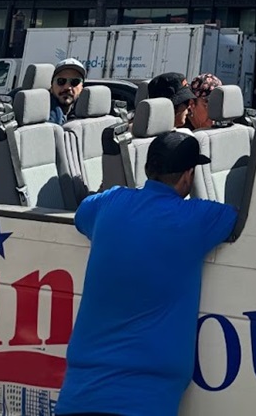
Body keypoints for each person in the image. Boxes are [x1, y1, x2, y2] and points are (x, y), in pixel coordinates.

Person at [56, 131, 237, 416]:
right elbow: (238, 219)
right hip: (145, 401)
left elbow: (82, 215)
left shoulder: (109, 204)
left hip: (78, 395)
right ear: (188, 176)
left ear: (147, 169)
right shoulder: (199, 218)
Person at [49, 59, 86, 125]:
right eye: (61, 81)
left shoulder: (83, 117)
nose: (67, 87)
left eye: (74, 82)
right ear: (51, 86)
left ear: (81, 88)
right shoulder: (45, 117)